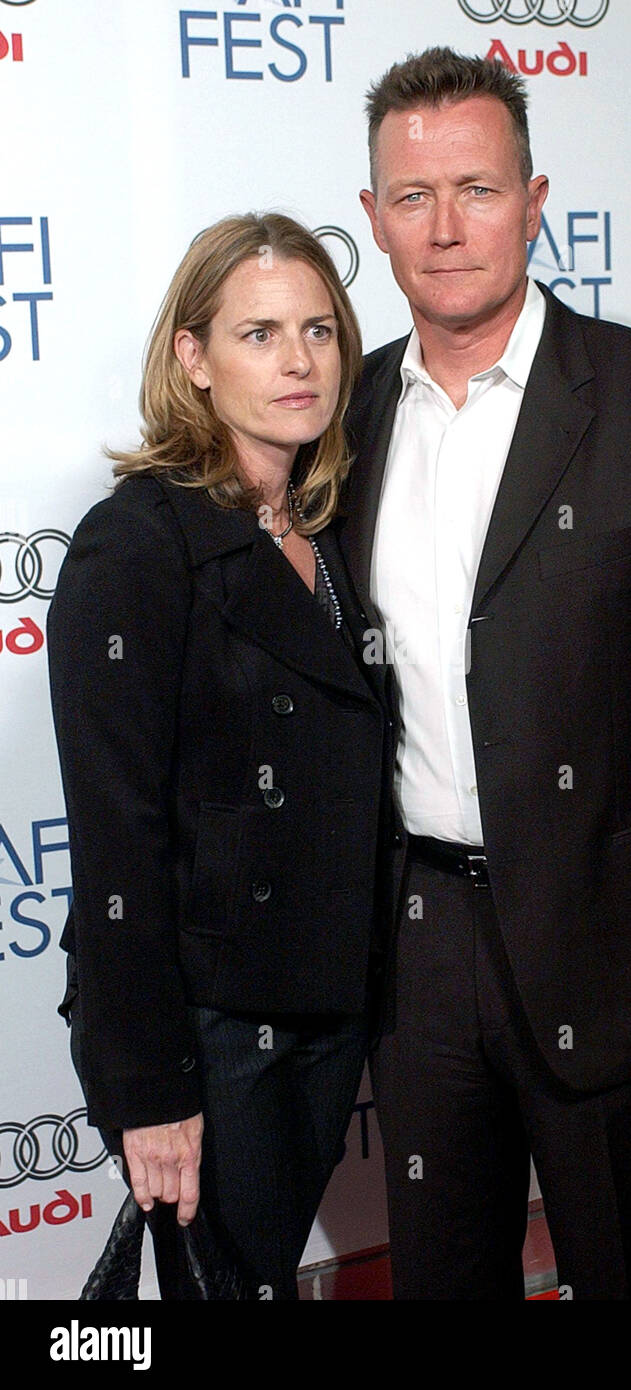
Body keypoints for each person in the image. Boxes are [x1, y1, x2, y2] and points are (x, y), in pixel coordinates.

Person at [337, 48, 631, 1299]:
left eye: (475, 189)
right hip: (415, 947)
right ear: (371, 219)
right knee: (441, 1276)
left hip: (614, 937)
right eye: (411, 197)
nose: (445, 227)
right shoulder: (346, 418)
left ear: (536, 200)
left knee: (620, 1273)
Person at [47, 212, 391, 1299]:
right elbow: (116, 843)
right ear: (191, 358)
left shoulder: (325, 525)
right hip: (211, 1035)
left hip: (323, 1011)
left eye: (319, 330)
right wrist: (147, 1087)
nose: (299, 361)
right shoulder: (138, 544)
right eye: (257, 334)